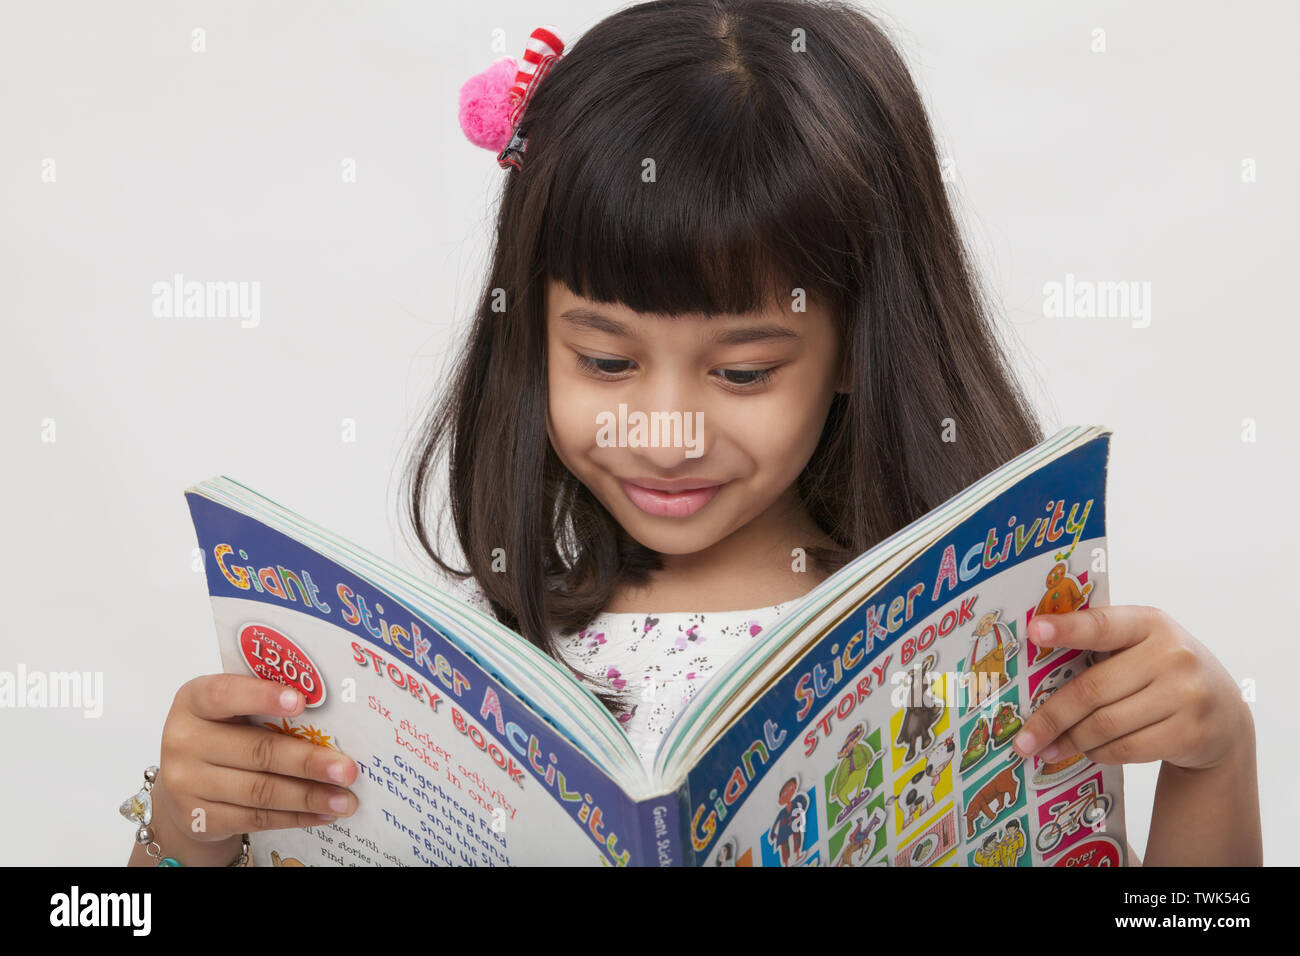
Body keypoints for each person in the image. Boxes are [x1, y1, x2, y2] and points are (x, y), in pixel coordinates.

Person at [129, 0, 1260, 867]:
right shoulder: (454, 683)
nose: (664, 430)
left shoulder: (997, 643)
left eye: (743, 371)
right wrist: (189, 825)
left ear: (858, 346)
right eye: (605, 359)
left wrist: (1216, 761)